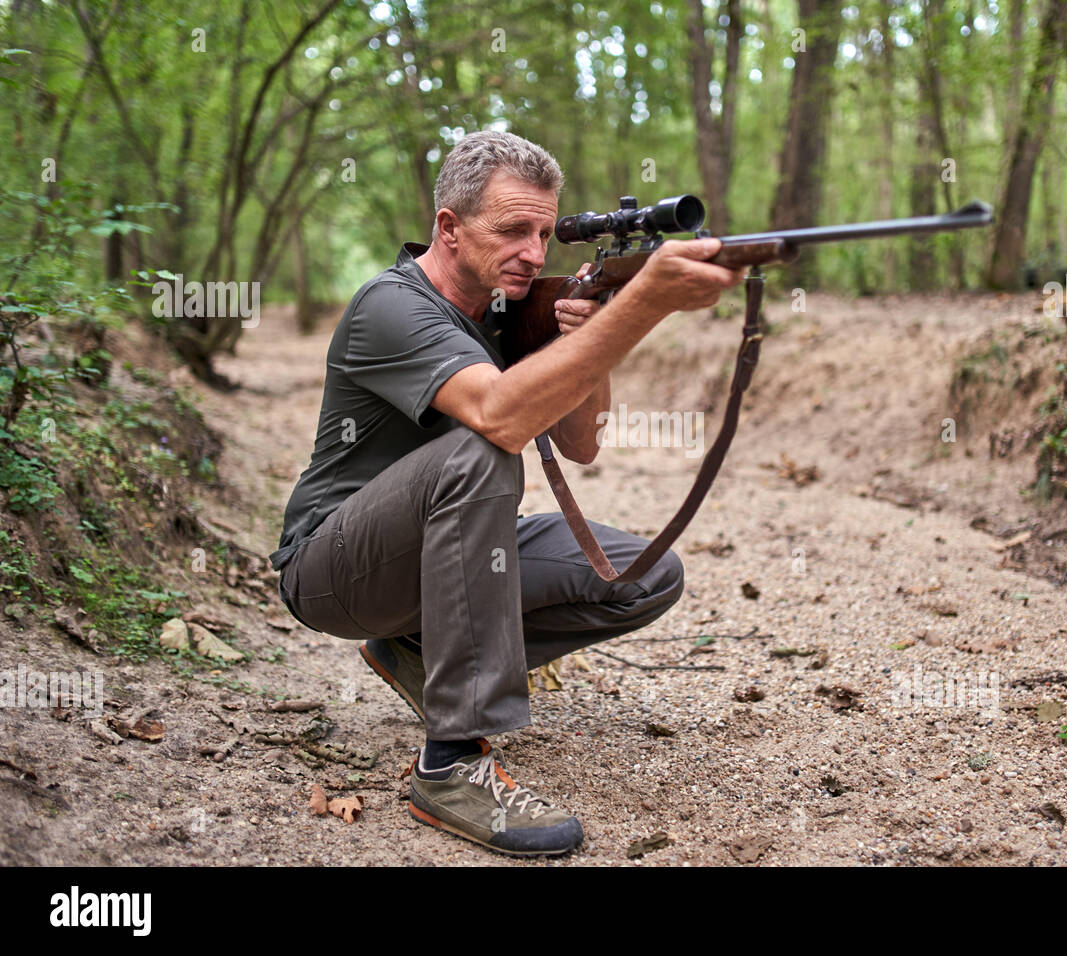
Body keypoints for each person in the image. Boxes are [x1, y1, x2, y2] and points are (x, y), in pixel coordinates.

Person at [268, 130, 745, 856]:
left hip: (430, 561)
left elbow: (582, 444)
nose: (533, 250)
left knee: (644, 574)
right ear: (449, 229)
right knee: (486, 449)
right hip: (333, 572)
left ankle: (418, 653)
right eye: (512, 229)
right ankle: (452, 763)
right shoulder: (388, 306)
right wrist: (641, 307)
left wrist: (591, 326)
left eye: (546, 233)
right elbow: (498, 417)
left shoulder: (504, 310)